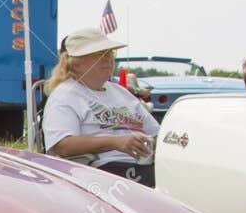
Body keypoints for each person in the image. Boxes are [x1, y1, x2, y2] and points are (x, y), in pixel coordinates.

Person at [41, 26, 160, 186]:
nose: (108, 59)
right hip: (99, 173)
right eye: (98, 55)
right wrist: (117, 142)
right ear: (75, 63)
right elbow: (62, 145)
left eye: (110, 53)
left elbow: (156, 134)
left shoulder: (121, 92)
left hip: (142, 165)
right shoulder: (65, 96)